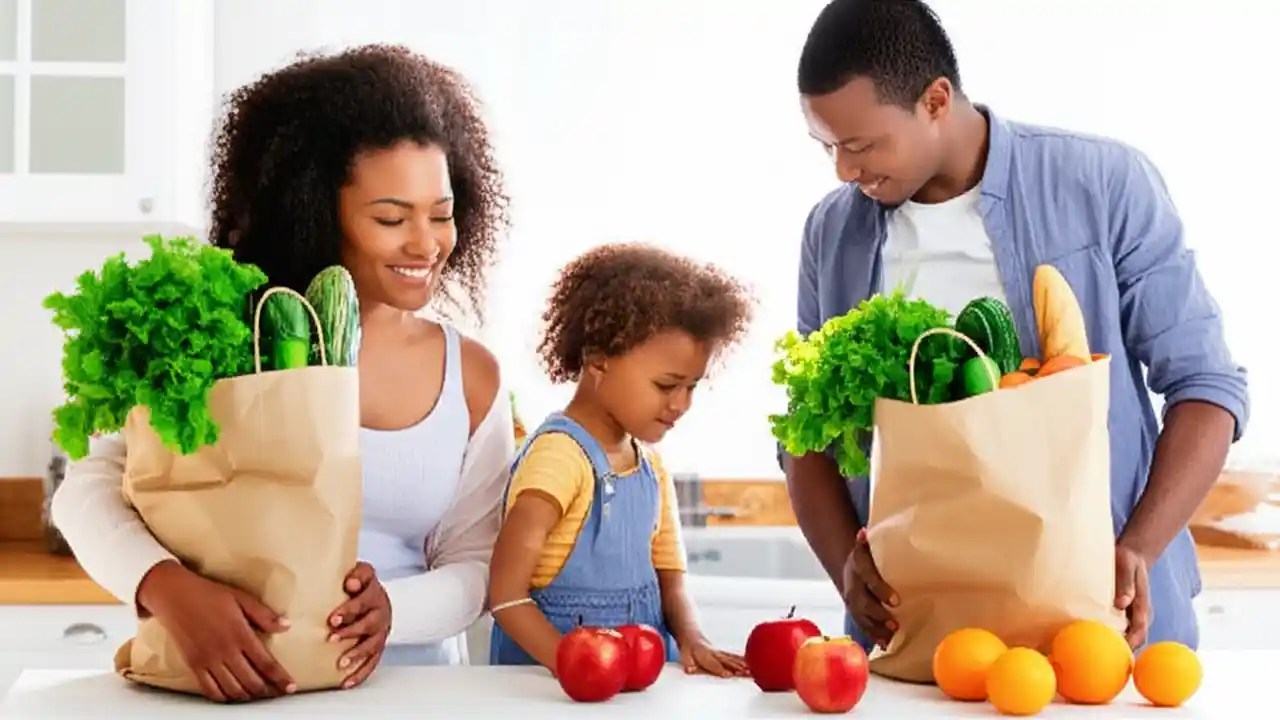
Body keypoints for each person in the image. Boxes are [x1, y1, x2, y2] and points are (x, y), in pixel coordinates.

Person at [51, 44, 516, 702]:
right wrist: (167, 588)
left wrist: (393, 612)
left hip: (413, 695)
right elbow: (85, 492)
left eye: (440, 214)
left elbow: (479, 563)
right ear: (316, 211)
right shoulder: (220, 335)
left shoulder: (469, 375)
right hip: (226, 694)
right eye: (391, 217)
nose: (426, 243)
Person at [784, 0, 1248, 657]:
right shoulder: (833, 232)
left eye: (860, 145)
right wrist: (843, 567)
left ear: (936, 101)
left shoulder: (1102, 183)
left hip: (1106, 628)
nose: (843, 170)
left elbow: (1206, 387)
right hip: (921, 638)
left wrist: (1139, 546)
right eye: (827, 146)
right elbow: (808, 431)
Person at [487, 243, 753, 677]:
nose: (682, 404)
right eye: (667, 385)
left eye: (692, 387)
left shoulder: (650, 465)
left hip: (634, 684)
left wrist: (693, 640)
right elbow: (506, 595)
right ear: (598, 361)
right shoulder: (558, 458)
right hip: (554, 691)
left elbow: (670, 576)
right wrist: (572, 665)